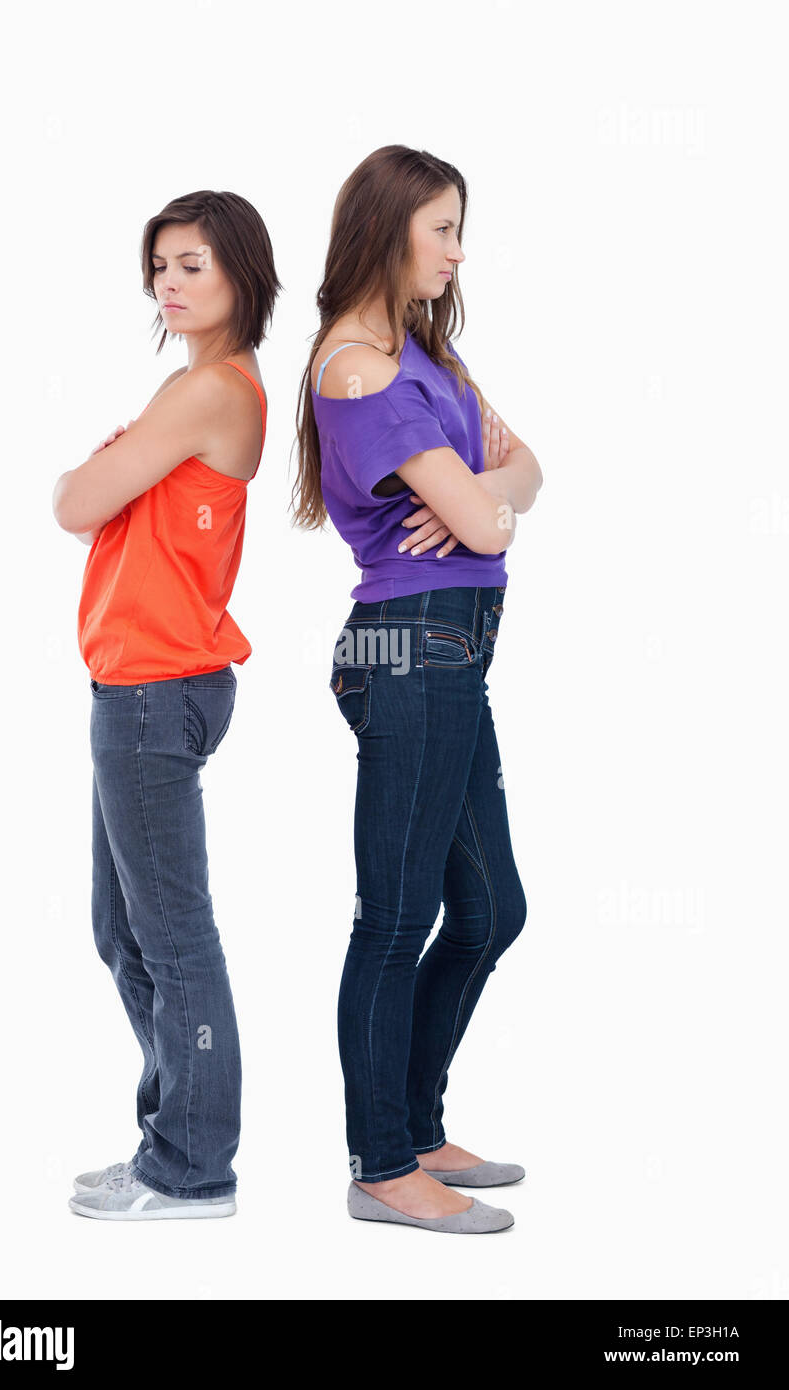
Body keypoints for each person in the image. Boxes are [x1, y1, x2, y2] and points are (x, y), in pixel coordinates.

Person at [293, 146, 543, 1234]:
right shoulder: (355, 366)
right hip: (409, 650)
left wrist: (484, 494)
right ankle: (380, 1164)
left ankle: (416, 1123)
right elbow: (495, 519)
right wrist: (487, 505)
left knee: (491, 909)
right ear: (388, 228)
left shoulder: (423, 353)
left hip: (453, 651)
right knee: (397, 919)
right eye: (440, 228)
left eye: (457, 228)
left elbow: (524, 470)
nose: (455, 249)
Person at [52, 190, 280, 1220]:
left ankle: (192, 1167)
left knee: (172, 938)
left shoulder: (209, 393)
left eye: (193, 264)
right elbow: (94, 494)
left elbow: (73, 503)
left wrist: (95, 467)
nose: (170, 283)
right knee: (124, 930)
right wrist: (104, 467)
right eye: (160, 266)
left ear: (240, 273)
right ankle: (170, 1138)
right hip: (143, 684)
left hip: (154, 688)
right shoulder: (190, 390)